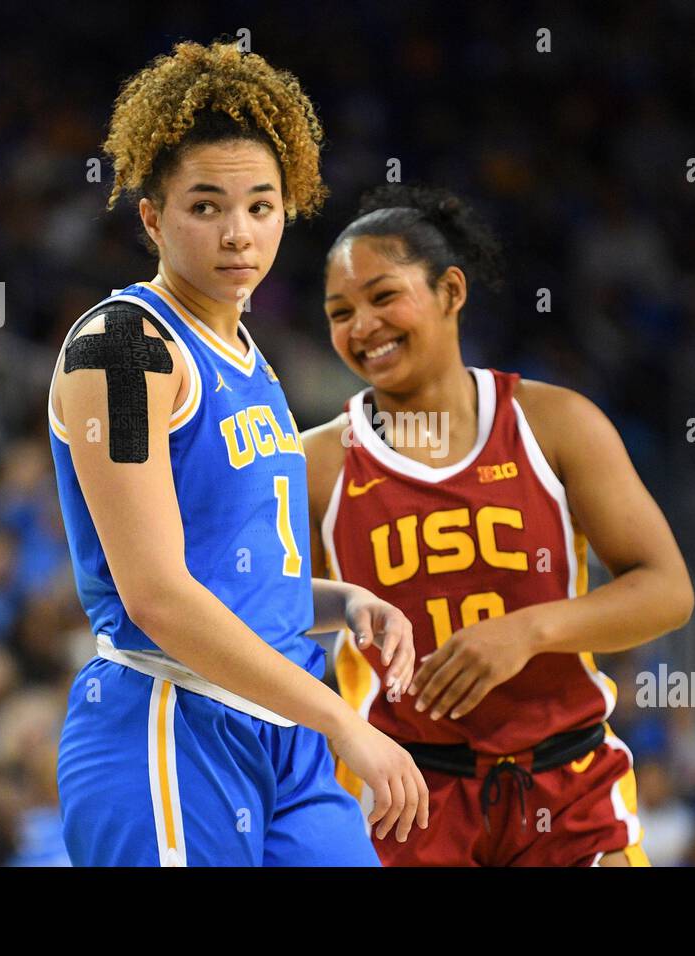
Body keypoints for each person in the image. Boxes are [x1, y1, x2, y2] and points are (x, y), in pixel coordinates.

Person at [50, 42, 428, 867]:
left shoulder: (253, 357)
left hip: (285, 736)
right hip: (169, 722)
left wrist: (343, 602)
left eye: (261, 206)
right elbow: (157, 595)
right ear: (152, 218)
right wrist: (341, 720)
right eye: (206, 206)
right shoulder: (123, 349)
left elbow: (235, 573)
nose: (237, 234)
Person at [302, 184, 694, 866]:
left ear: (451, 291)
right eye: (341, 312)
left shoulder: (556, 423)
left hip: (568, 785)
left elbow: (666, 589)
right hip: (405, 794)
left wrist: (529, 632)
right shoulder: (314, 463)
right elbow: (271, 614)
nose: (362, 326)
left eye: (383, 296)